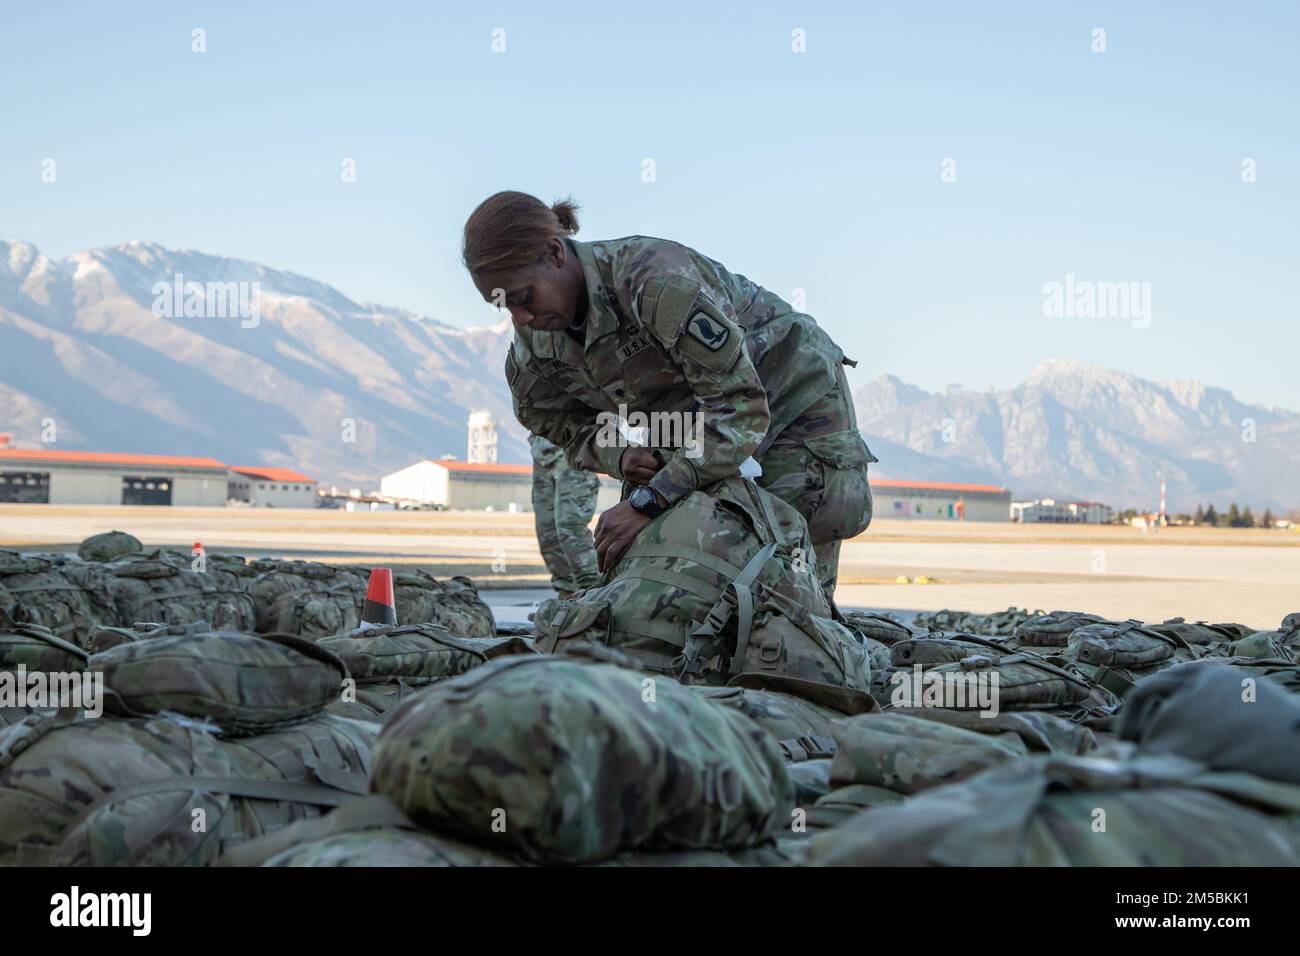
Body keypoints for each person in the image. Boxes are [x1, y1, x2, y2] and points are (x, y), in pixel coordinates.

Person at [463, 191, 875, 595]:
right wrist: (619, 454)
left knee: (785, 589)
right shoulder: (535, 342)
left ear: (555, 253)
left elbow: (738, 410)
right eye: (503, 305)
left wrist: (649, 500)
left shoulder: (655, 283)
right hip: (696, 423)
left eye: (523, 297)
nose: (522, 317)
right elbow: (550, 417)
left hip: (789, 402)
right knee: (667, 588)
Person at [529, 432, 601, 598]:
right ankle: (566, 594)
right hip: (542, 451)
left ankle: (593, 596)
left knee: (570, 529)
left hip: (573, 447)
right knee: (547, 531)